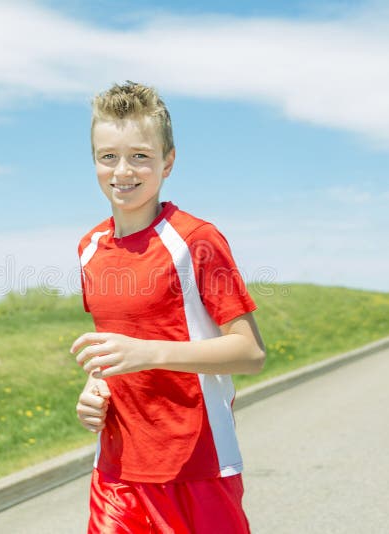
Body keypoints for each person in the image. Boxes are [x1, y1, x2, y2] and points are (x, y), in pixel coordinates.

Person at [70, 81, 266, 533]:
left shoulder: (196, 241)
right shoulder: (89, 248)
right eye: (108, 157)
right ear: (95, 161)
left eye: (140, 155)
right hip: (116, 472)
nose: (123, 171)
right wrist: (93, 389)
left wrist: (149, 352)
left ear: (168, 162)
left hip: (197, 467)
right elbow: (112, 350)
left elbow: (249, 353)